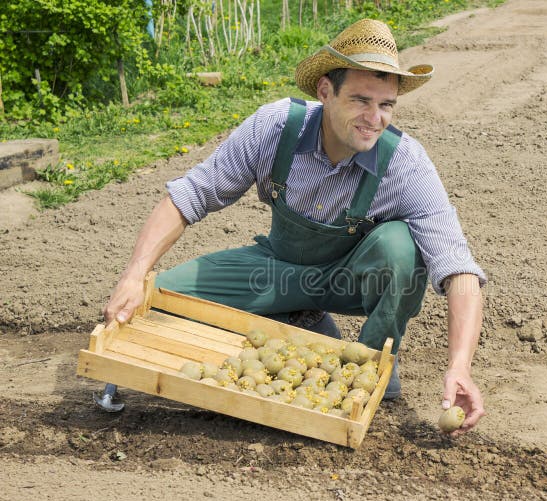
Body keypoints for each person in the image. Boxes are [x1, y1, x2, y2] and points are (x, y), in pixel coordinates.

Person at [103, 19, 486, 435]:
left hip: (348, 279)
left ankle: (370, 362)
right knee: (157, 303)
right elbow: (189, 195)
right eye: (361, 100)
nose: (374, 119)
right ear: (325, 91)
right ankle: (301, 318)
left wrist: (460, 366)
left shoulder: (404, 163)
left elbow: (459, 270)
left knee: (401, 249)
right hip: (275, 269)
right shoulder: (275, 128)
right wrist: (134, 275)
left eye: (386, 105)